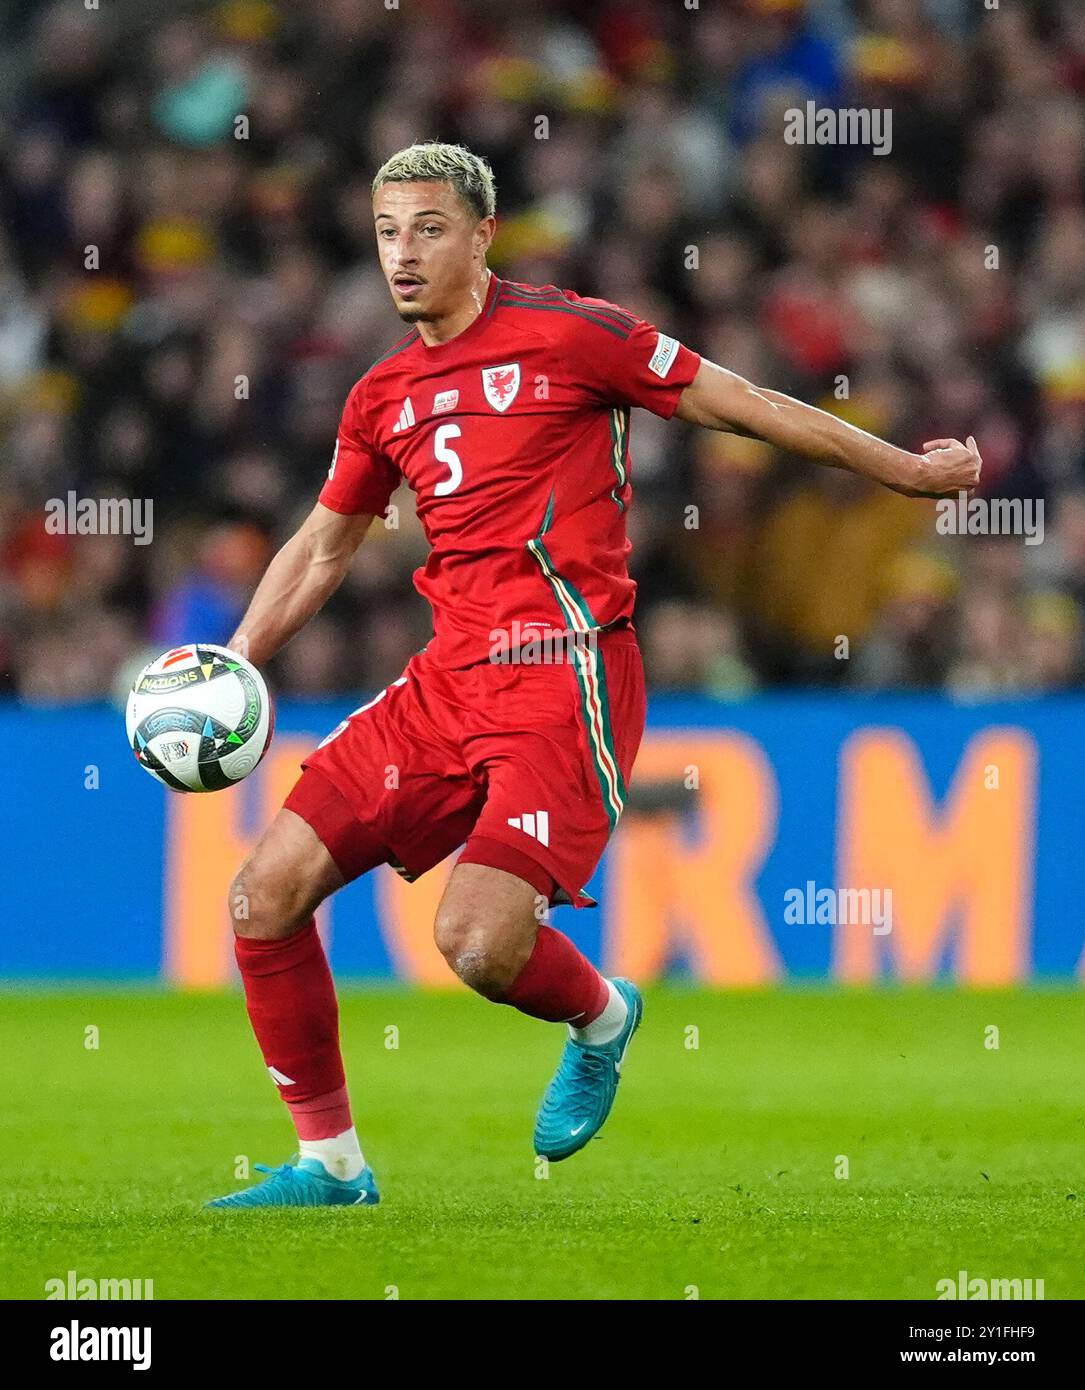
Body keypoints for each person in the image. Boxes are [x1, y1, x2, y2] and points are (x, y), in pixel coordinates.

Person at [206, 142, 981, 1208]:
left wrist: (902, 471)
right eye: (388, 231)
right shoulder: (382, 393)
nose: (403, 253)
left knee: (476, 946)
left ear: (483, 234)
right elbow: (324, 544)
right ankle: (331, 1167)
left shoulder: (578, 335)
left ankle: (602, 1015)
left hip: (563, 678)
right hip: (445, 680)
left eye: (428, 227)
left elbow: (743, 401)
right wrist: (238, 659)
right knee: (261, 895)